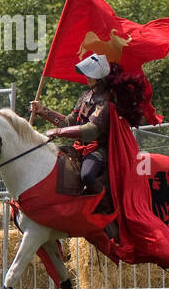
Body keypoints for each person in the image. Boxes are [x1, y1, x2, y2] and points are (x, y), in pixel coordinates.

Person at [29, 52, 115, 196]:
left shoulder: (107, 99)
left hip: (99, 149)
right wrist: (43, 110)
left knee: (87, 176)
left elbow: (91, 131)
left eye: (91, 74)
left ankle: (107, 204)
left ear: (100, 78)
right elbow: (69, 122)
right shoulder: (85, 96)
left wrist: (58, 132)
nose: (87, 76)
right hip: (79, 147)